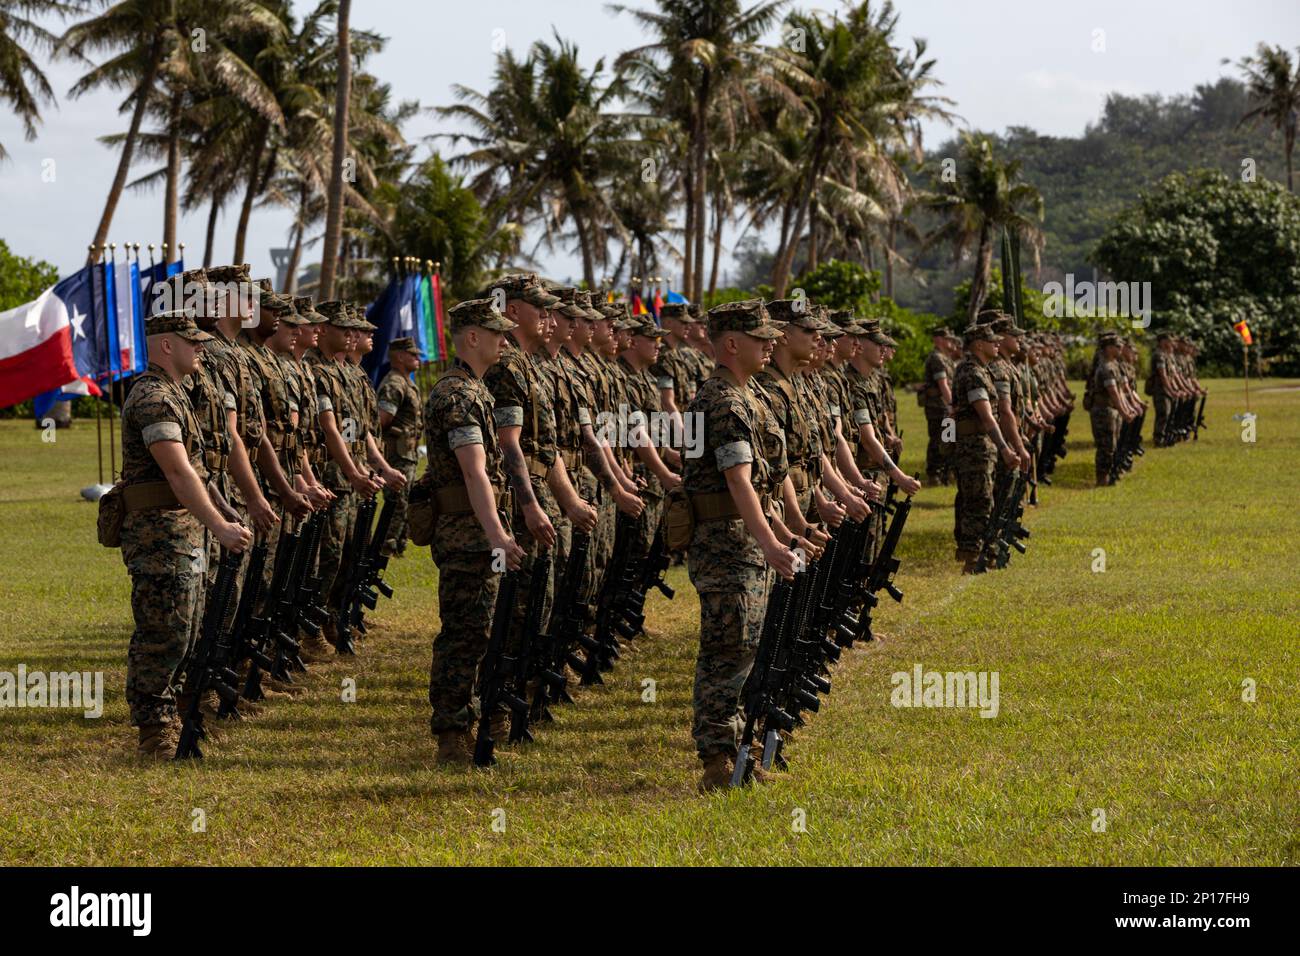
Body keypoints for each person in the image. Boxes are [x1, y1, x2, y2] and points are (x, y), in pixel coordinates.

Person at [684, 299, 807, 793]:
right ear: (732, 344)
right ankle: (717, 760)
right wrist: (772, 544)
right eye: (761, 339)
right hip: (726, 546)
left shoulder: (740, 396)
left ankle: (738, 748)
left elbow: (760, 484)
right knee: (726, 649)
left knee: (744, 649)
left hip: (741, 541)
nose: (771, 344)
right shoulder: (724, 403)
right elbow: (738, 482)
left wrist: (779, 535)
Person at [119, 310, 252, 757]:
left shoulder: (176, 394)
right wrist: (218, 523)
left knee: (190, 626)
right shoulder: (153, 397)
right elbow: (177, 472)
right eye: (191, 341)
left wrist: (222, 508)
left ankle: (174, 715)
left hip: (184, 529)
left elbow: (199, 471)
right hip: (160, 533)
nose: (201, 347)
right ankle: (154, 730)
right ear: (166, 345)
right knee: (166, 629)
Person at [424, 300, 526, 764]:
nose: (504, 340)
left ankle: (464, 721)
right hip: (467, 533)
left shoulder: (475, 390)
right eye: (496, 332)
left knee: (480, 629)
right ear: (471, 337)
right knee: (464, 632)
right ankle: (450, 731)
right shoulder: (458, 395)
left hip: (477, 530)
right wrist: (498, 535)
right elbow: (474, 473)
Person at [951, 324, 1020, 572]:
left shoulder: (982, 370)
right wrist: (1005, 448)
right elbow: (987, 416)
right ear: (978, 344)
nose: (997, 345)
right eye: (992, 342)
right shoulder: (973, 373)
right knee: (978, 501)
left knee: (983, 498)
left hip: (980, 445)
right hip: (975, 447)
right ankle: (972, 558)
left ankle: (980, 554)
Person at [377, 336, 425, 556]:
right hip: (396, 454)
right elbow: (382, 420)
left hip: (408, 453)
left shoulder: (406, 382)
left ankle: (399, 543)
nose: (417, 358)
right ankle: (386, 543)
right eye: (412, 354)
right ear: (398, 356)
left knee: (406, 500)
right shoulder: (394, 383)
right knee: (397, 501)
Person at [922, 326, 956, 485]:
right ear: (938, 340)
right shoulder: (937, 358)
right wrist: (951, 404)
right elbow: (943, 385)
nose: (950, 341)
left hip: (943, 406)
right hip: (937, 407)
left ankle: (945, 472)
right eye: (947, 338)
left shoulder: (945, 358)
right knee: (938, 439)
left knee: (947, 438)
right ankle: (934, 473)